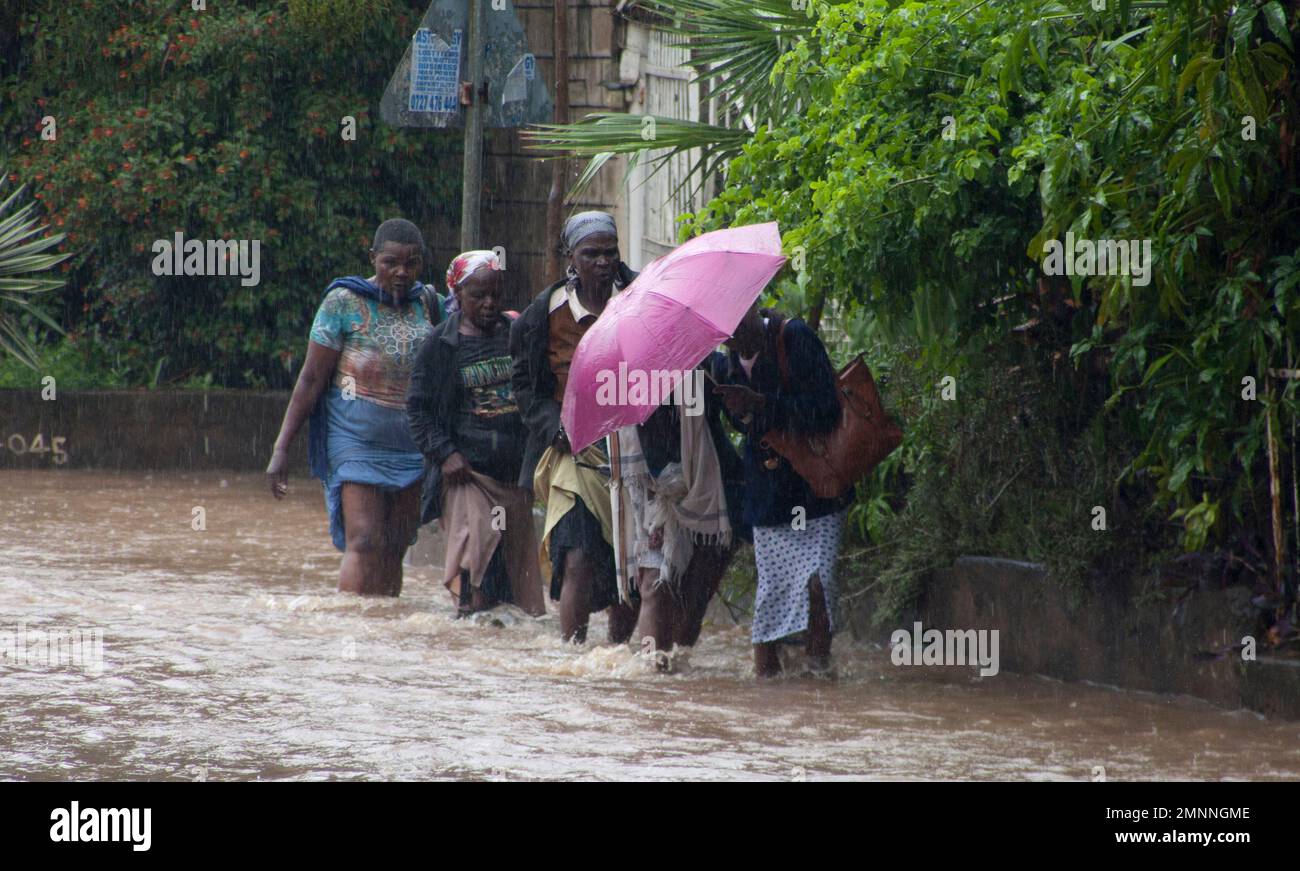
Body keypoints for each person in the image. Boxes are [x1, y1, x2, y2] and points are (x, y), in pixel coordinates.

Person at [266, 218, 446, 596]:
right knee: (363, 540)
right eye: (390, 262)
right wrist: (282, 448)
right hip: (354, 441)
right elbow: (311, 379)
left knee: (394, 547)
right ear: (372, 258)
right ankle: (351, 630)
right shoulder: (342, 302)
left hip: (412, 445)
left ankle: (382, 636)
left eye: (411, 263)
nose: (401, 272)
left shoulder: (431, 306)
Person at [509, 212, 637, 642]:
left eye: (610, 253)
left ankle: (618, 655)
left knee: (630, 559)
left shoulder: (640, 299)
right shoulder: (543, 315)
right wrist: (554, 427)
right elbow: (525, 385)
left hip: (633, 450)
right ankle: (574, 656)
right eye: (591, 254)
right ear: (571, 258)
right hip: (573, 454)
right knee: (577, 555)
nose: (603, 262)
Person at [711, 303, 852, 677]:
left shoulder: (794, 338)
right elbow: (744, 428)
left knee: (817, 584)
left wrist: (762, 404)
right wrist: (740, 413)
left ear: (755, 306)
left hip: (815, 489)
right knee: (772, 591)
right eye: (725, 330)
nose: (733, 335)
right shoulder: (722, 365)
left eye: (738, 322)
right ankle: (768, 684)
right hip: (770, 495)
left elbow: (826, 410)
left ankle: (817, 676)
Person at [406, 250, 545, 618]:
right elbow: (418, 409)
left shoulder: (516, 335)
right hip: (468, 475)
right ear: (458, 295)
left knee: (514, 576)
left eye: (495, 295)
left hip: (513, 476)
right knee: (476, 558)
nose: (488, 304)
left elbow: (537, 395)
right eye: (477, 296)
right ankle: (470, 625)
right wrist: (445, 453)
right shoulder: (441, 345)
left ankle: (494, 651)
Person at [612, 362, 749, 667]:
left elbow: (738, 422)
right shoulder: (633, 371)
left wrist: (739, 402)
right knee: (656, 583)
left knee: (697, 589)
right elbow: (643, 442)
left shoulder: (706, 361)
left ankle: (678, 670)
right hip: (654, 488)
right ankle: (654, 675)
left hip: (712, 485)